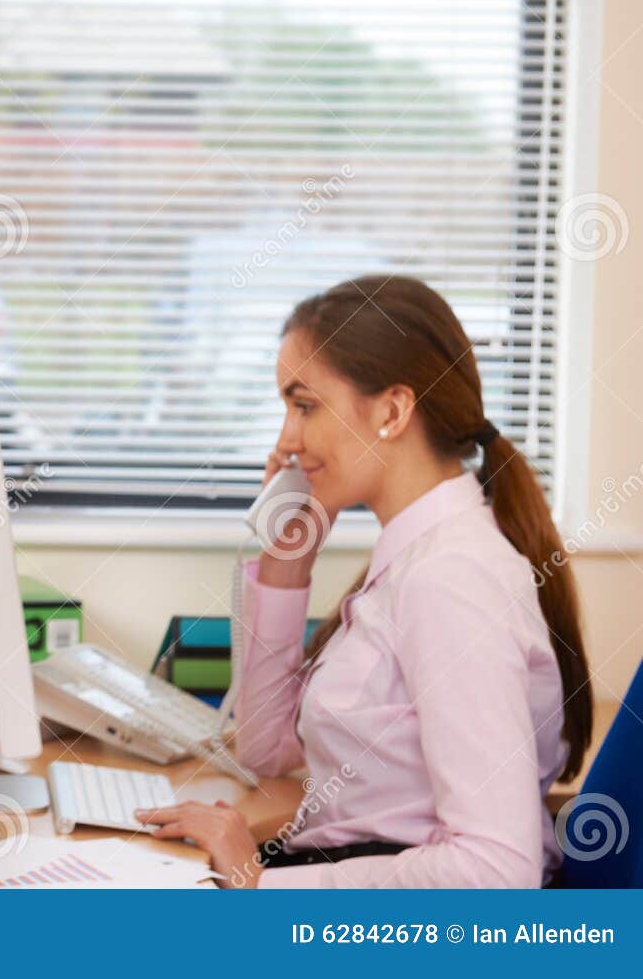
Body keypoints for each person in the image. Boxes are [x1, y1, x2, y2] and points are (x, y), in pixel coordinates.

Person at [135, 275, 591, 888]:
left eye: (304, 406)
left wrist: (258, 882)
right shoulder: (411, 561)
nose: (285, 442)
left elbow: (496, 871)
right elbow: (264, 751)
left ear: (393, 411)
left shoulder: (450, 579)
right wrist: (286, 566)